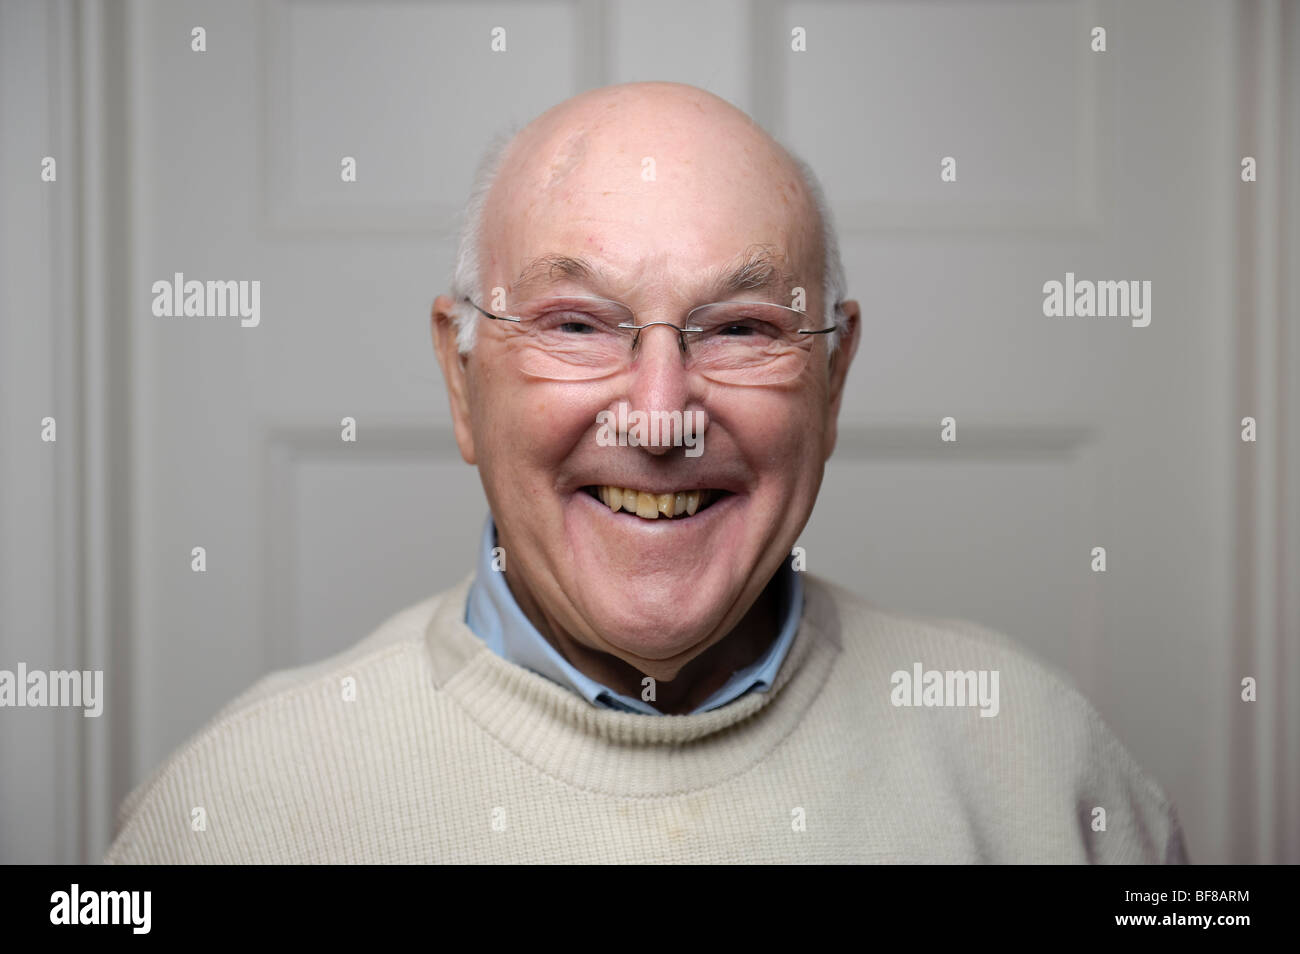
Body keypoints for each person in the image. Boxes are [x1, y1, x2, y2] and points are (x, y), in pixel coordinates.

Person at [105, 82, 1188, 863]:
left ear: (833, 374)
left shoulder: (1043, 769)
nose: (659, 414)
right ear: (459, 372)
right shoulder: (235, 810)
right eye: (577, 324)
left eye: (742, 327)